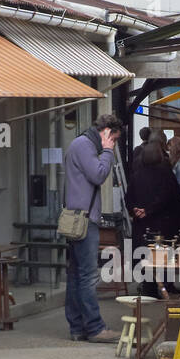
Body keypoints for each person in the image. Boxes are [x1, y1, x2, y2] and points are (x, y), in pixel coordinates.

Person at [64, 113, 123, 343]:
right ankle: (95, 328)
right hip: (84, 220)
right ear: (106, 132)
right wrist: (107, 151)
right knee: (87, 275)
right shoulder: (85, 145)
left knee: (76, 275)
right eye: (114, 139)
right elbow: (98, 175)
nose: (114, 144)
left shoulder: (80, 144)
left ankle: (78, 327)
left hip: (79, 218)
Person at [126, 139, 180, 298]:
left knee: (145, 255)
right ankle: (166, 285)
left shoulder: (136, 175)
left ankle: (148, 287)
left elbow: (128, 197)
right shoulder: (166, 174)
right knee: (164, 256)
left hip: (142, 223)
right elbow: (169, 197)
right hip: (162, 222)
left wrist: (136, 210)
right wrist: (149, 210)